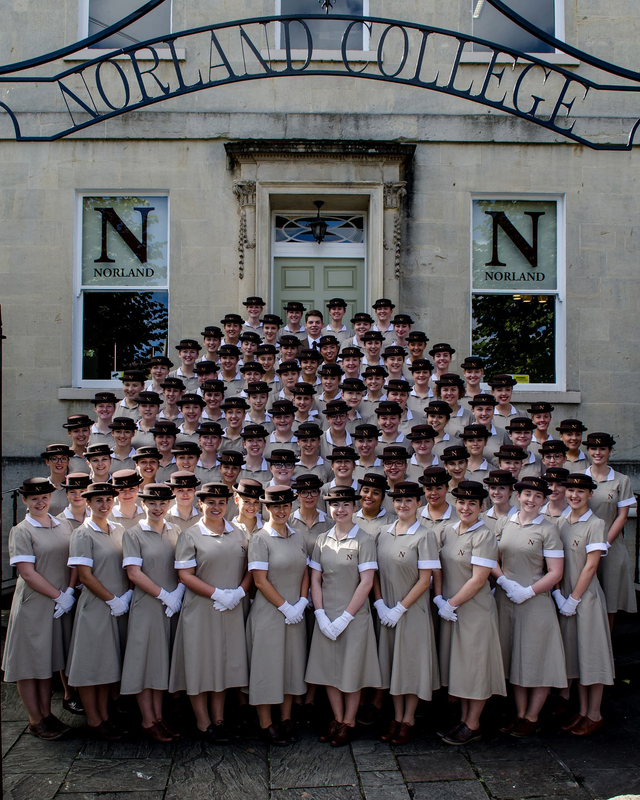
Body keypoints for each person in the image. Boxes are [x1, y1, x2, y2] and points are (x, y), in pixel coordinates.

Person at [169, 482, 251, 742]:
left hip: (231, 609)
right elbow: (185, 576)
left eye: (221, 502)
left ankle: (219, 719)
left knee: (223, 665)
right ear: (200, 504)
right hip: (202, 610)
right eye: (210, 502)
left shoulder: (239, 532)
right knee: (200, 665)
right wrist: (217, 593)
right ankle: (203, 723)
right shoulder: (190, 535)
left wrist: (238, 593)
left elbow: (251, 569)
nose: (216, 507)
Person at [306, 485, 381, 747]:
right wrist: (321, 615)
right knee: (329, 669)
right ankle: (337, 719)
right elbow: (315, 580)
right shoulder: (322, 540)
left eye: (346, 505)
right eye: (335, 505)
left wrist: (345, 618)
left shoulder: (365, 539)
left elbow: (366, 583)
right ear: (329, 508)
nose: (340, 510)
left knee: (351, 670)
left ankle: (349, 722)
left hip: (354, 616)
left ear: (355, 507)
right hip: (326, 615)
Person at [492, 477, 567, 737]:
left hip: (534, 602)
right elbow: (493, 558)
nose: (531, 500)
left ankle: (532, 716)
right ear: (518, 496)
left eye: (537, 496)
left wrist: (528, 591)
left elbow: (556, 572)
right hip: (507, 599)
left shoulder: (548, 529)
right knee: (515, 658)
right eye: (527, 494)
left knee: (537, 659)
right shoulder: (505, 523)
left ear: (544, 500)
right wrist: (503, 581)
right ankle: (519, 712)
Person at [433, 480, 506, 745]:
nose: (465, 508)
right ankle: (464, 719)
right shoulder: (450, 531)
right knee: (461, 666)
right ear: (455, 503)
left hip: (473, 609)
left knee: (475, 666)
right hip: (452, 608)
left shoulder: (484, 535)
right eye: (462, 502)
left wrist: (450, 604)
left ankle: (473, 723)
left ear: (481, 507)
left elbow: (478, 579)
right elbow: (439, 568)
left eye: (472, 503)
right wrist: (441, 599)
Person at [2, 478, 75, 740]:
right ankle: (35, 719)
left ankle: (47, 714)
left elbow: (72, 562)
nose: (40, 502)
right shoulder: (22, 530)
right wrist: (59, 595)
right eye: (34, 498)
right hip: (35, 604)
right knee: (29, 663)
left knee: (47, 662)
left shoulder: (61, 524)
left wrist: (68, 592)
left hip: (58, 604)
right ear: (24, 501)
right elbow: (27, 574)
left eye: (44, 497)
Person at [374, 481, 441, 745]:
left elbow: (426, 580)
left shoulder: (425, 536)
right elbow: (374, 571)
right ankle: (396, 715)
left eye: (409, 501)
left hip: (411, 609)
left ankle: (408, 719)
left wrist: (400, 608)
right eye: (399, 501)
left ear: (419, 504)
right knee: (394, 664)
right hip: (386, 608)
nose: (403, 505)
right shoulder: (383, 533)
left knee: (410, 665)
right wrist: (380, 603)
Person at [65, 482, 132, 740]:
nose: (104, 505)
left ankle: (105, 715)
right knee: (91, 666)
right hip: (96, 606)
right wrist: (112, 599)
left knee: (107, 666)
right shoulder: (83, 534)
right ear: (88, 503)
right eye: (98, 501)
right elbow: (85, 576)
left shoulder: (117, 529)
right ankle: (94, 719)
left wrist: (124, 597)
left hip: (118, 605)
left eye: (108, 500)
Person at [120, 484, 184, 742]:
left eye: (162, 503)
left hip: (171, 607)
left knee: (160, 662)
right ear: (143, 504)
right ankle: (147, 719)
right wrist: (164, 595)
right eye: (152, 503)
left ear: (169, 504)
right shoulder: (133, 534)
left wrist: (177, 594)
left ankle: (158, 716)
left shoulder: (175, 530)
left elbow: (184, 565)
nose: (157, 508)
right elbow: (134, 574)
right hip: (148, 605)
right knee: (144, 662)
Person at [246, 485, 309, 745]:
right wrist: (285, 606)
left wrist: (302, 602)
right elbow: (259, 581)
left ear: (291, 507)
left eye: (285, 505)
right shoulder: (260, 538)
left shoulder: (298, 536)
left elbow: (305, 571)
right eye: (275, 506)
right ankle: (265, 722)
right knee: (267, 665)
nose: (281, 510)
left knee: (290, 664)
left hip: (295, 612)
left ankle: (285, 718)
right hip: (271, 612)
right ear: (267, 508)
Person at [555, 473, 614, 736]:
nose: (575, 496)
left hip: (585, 599)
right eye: (571, 491)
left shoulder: (597, 524)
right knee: (578, 657)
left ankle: (595, 714)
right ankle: (582, 711)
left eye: (581, 492)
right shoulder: (560, 522)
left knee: (593, 656)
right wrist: (560, 595)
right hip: (566, 597)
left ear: (590, 495)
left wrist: (575, 599)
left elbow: (591, 566)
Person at [583, 432, 637, 624]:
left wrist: (604, 543)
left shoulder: (621, 480)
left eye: (602, 448)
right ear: (588, 451)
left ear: (609, 451)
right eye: (593, 448)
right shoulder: (580, 478)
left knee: (609, 599)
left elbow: (622, 516)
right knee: (584, 595)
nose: (598, 452)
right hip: (583, 545)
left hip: (610, 546)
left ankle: (607, 649)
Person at [289, 473, 332, 556]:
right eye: (304, 492)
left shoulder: (329, 524)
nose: (309, 497)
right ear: (297, 495)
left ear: (319, 493)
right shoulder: (288, 522)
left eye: (313, 492)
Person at [418, 466, 459, 539]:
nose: (434, 493)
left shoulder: (458, 516)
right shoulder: (415, 515)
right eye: (429, 489)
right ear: (424, 489)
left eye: (439, 488)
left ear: (447, 489)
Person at [354, 473, 396, 539]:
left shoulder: (393, 522)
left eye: (375, 493)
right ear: (359, 493)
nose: (369, 496)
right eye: (365, 491)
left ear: (382, 498)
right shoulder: (349, 519)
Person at [434, 373, 472, 439]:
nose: (449, 393)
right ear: (440, 393)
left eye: (453, 389)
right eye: (445, 390)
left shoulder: (469, 417)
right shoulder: (432, 416)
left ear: (459, 392)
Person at [41, 443, 73, 515]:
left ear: (68, 461)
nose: (59, 463)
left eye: (63, 458)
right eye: (54, 459)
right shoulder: (42, 488)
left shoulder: (74, 487)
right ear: (47, 461)